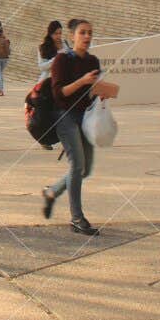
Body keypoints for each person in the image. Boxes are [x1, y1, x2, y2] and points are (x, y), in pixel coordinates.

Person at [41, 19, 118, 236]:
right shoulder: (61, 60)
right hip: (65, 116)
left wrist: (102, 91)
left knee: (86, 169)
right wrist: (82, 82)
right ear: (73, 36)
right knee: (77, 166)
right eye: (82, 33)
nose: (87, 37)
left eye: (90, 33)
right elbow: (59, 94)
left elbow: (93, 88)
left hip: (86, 117)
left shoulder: (92, 60)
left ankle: (52, 192)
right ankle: (77, 218)